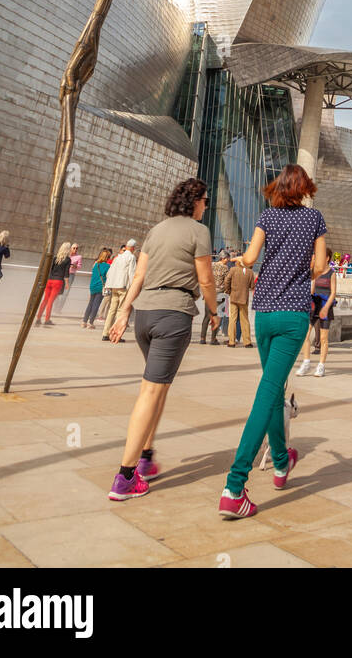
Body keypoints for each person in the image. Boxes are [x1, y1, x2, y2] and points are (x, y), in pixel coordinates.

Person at [220, 163, 328, 518]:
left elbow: (250, 259)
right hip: (294, 315)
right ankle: (235, 486)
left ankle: (281, 463)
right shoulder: (314, 220)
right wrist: (300, 268)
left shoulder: (267, 216)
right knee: (267, 396)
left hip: (263, 313)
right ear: (304, 188)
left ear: (278, 188)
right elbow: (320, 267)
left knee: (274, 391)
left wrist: (241, 257)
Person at [106, 177, 217, 500]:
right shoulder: (199, 232)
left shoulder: (156, 230)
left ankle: (146, 458)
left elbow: (139, 276)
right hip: (173, 314)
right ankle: (125, 477)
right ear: (194, 201)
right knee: (152, 390)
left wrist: (125, 312)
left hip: (144, 314)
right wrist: (213, 311)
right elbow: (206, 278)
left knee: (157, 387)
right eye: (205, 201)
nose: (206, 206)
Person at [297, 248, 337, 378]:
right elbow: (311, 290)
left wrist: (326, 308)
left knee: (323, 338)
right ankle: (306, 362)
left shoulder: (332, 274)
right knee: (305, 334)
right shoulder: (315, 272)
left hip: (325, 306)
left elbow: (333, 293)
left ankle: (321, 366)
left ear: (327, 258)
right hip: (314, 306)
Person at [102, 239, 138, 340]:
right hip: (123, 287)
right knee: (120, 311)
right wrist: (132, 288)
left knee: (111, 310)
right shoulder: (131, 258)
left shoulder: (118, 257)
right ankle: (115, 334)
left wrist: (109, 284)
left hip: (114, 286)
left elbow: (110, 272)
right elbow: (132, 274)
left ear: (126, 247)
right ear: (133, 248)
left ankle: (105, 333)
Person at [35, 242, 72, 325]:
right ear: (68, 249)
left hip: (49, 280)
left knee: (45, 300)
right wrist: (66, 283)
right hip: (58, 281)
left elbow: (49, 270)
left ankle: (38, 318)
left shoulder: (55, 258)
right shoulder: (68, 259)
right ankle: (47, 320)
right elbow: (66, 273)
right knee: (50, 301)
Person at [222, 256, 255, 348]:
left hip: (233, 297)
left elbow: (226, 280)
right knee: (244, 320)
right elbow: (252, 285)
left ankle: (232, 342)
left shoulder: (233, 270)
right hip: (244, 298)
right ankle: (247, 342)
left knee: (233, 319)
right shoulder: (250, 272)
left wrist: (228, 291)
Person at [200, 250, 229, 344]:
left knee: (206, 317)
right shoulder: (225, 268)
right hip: (220, 294)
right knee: (217, 316)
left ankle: (202, 338)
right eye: (227, 259)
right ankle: (213, 339)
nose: (228, 260)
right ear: (223, 258)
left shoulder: (211, 265)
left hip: (209, 293)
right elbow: (227, 282)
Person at [82, 248, 113, 328]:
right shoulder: (108, 266)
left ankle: (84, 321)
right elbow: (109, 277)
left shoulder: (96, 264)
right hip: (101, 287)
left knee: (90, 304)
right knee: (96, 305)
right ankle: (90, 323)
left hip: (92, 286)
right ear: (107, 257)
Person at [55, 242, 82, 314]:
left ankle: (58, 309)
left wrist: (75, 266)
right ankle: (55, 307)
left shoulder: (79, 257)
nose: (75, 249)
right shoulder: (66, 255)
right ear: (70, 248)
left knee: (65, 293)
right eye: (74, 248)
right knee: (57, 291)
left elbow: (79, 266)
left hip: (70, 275)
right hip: (62, 274)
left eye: (77, 248)